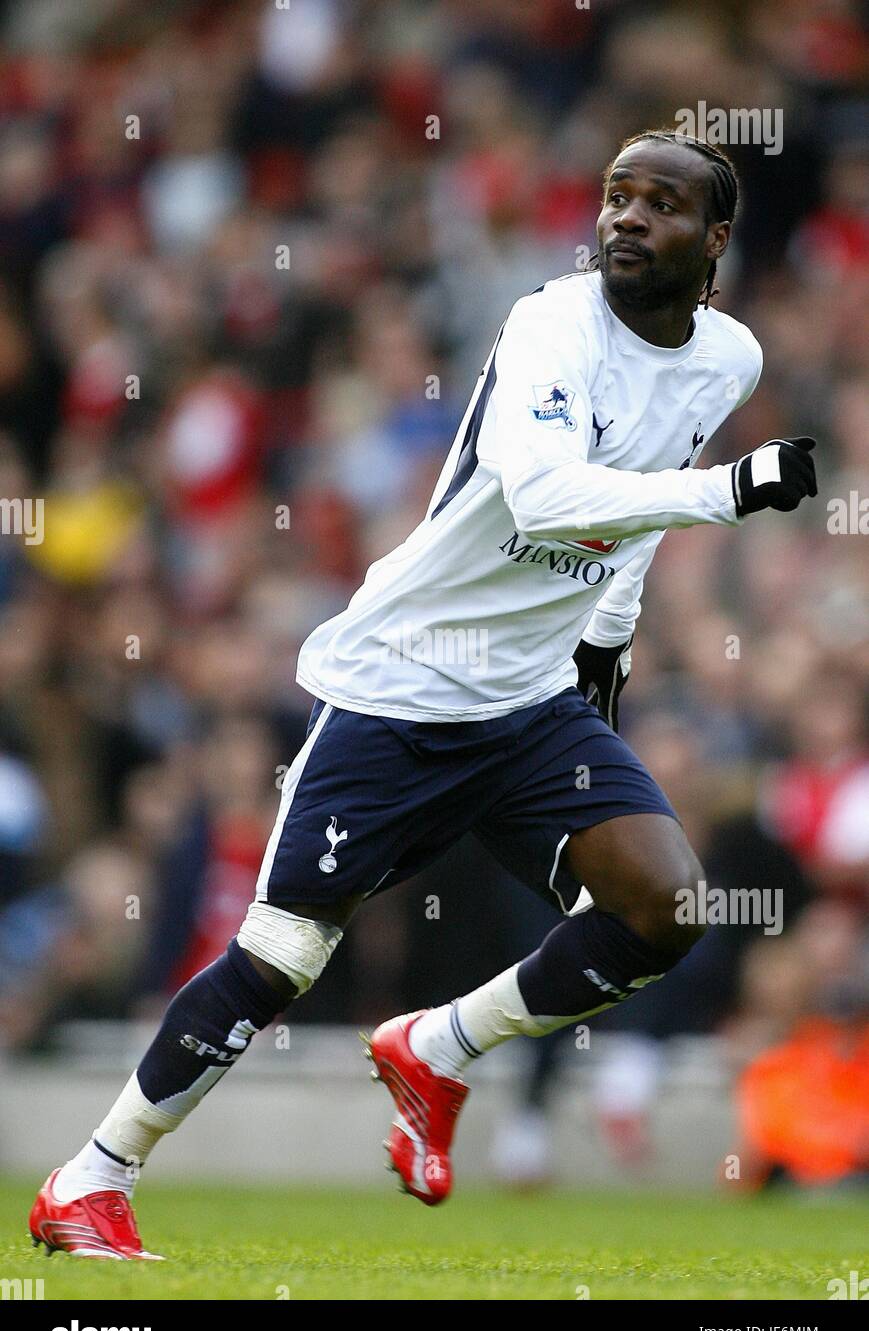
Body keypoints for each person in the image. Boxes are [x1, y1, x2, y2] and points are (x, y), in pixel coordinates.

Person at [29, 130, 817, 1257]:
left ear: (716, 240)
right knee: (282, 958)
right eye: (614, 197)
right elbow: (544, 495)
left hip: (531, 701)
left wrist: (606, 639)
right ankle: (90, 1177)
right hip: (401, 681)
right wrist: (730, 491)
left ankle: (439, 1048)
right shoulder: (549, 321)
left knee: (665, 903)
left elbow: (635, 490)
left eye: (659, 205)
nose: (626, 220)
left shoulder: (725, 358)